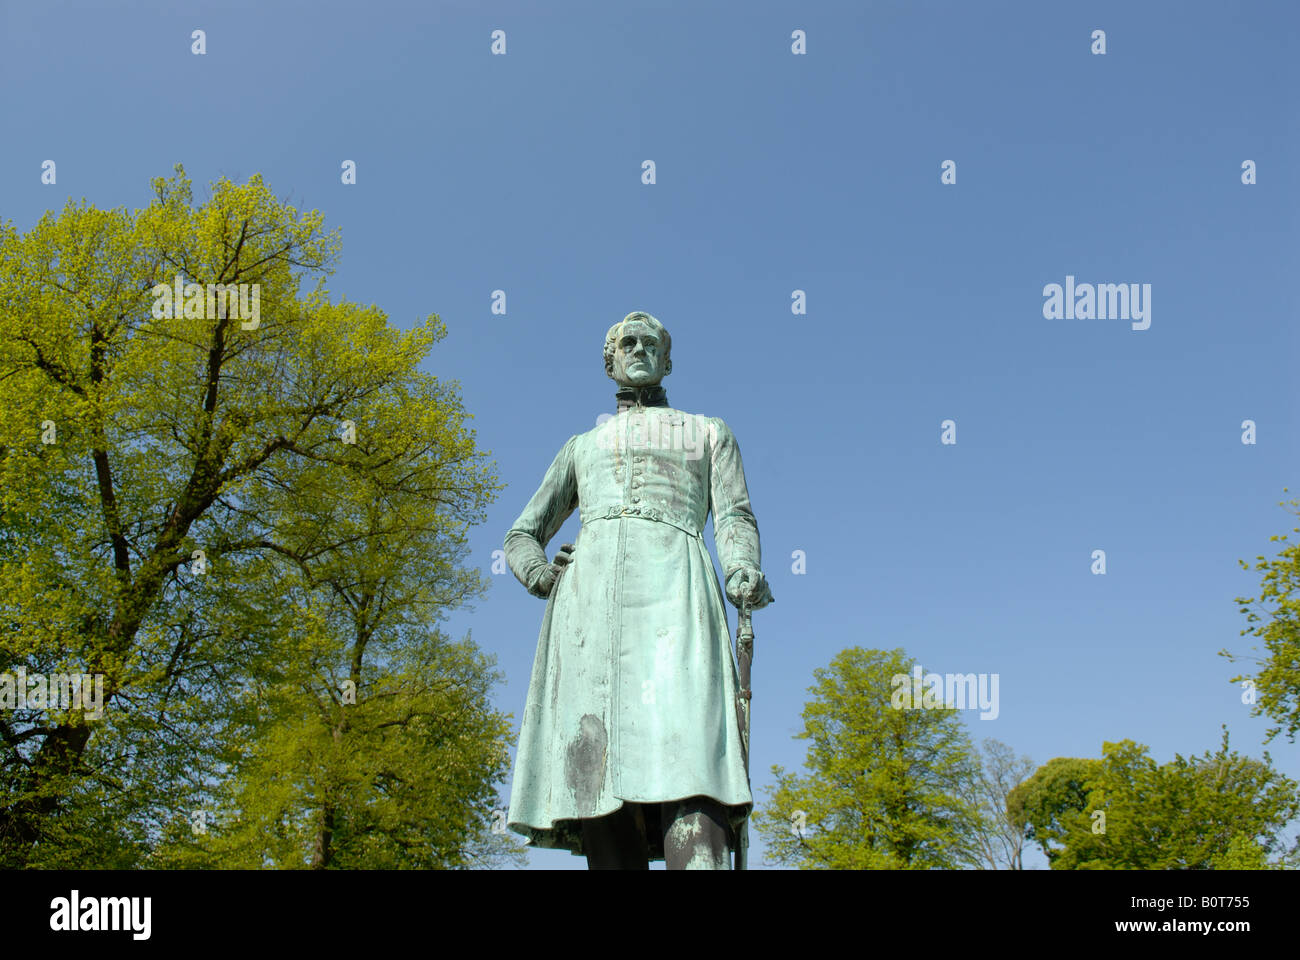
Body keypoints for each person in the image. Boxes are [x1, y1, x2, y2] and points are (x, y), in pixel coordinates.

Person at [504, 311, 772, 869]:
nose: (640, 349)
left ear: (668, 360)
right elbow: (522, 533)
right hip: (590, 615)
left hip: (680, 597)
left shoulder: (708, 431)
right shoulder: (582, 446)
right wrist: (541, 575)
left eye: (651, 343)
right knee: (598, 784)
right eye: (628, 343)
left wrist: (741, 569)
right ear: (610, 361)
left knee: (695, 764)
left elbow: (735, 516)